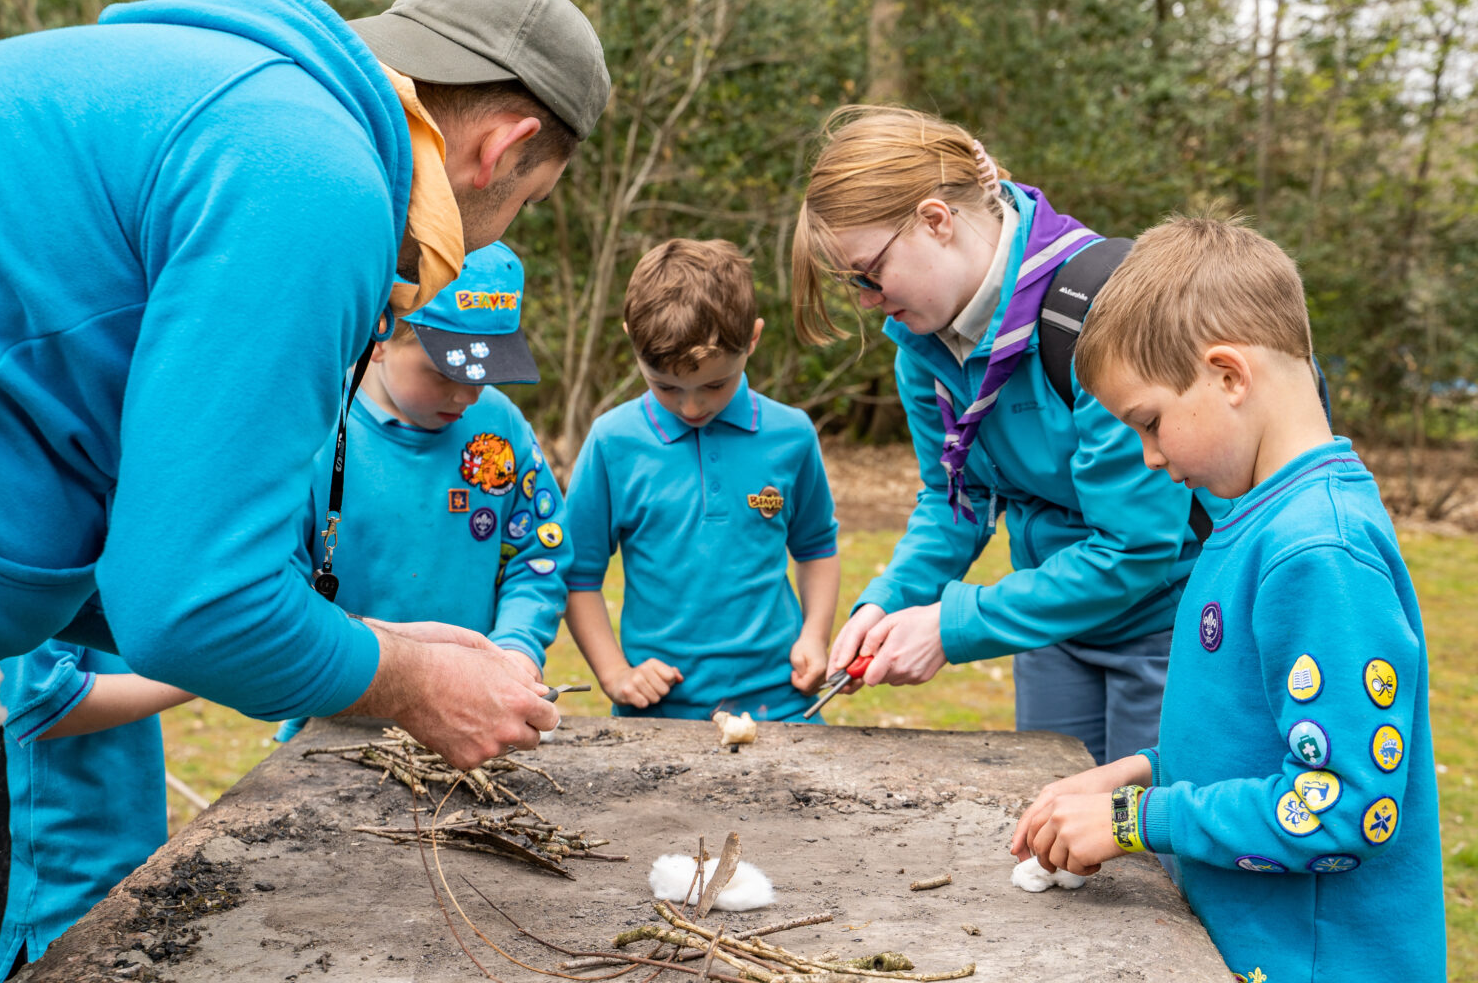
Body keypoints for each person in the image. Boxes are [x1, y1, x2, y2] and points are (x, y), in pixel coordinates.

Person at [0, 0, 609, 976]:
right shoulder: (311, 172)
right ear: (506, 147)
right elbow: (193, 605)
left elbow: (129, 550)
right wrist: (409, 679)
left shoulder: (212, 88)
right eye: (530, 201)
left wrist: (366, 638)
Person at [1009, 216, 1445, 981]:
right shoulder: (1256, 517)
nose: (1149, 456)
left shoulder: (1318, 553)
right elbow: (1266, 733)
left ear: (1228, 375)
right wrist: (1144, 770)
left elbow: (1343, 807)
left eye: (1149, 422)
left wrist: (1138, 820)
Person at [793, 105, 1216, 763]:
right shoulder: (922, 350)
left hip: (1173, 627)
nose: (868, 302)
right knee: (1051, 840)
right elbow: (953, 502)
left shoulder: (1101, 313)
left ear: (936, 220)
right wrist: (887, 604)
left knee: (1152, 852)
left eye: (869, 273)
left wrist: (952, 626)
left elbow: (1137, 546)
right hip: (1051, 626)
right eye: (853, 284)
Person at [276, 241, 571, 743]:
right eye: (444, 374)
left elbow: (537, 554)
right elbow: (283, 590)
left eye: (484, 376)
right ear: (382, 331)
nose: (467, 395)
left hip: (476, 722)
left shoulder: (501, 427)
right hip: (338, 722)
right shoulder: (312, 435)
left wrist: (516, 648)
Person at [564, 239, 841, 721]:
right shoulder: (612, 443)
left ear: (752, 340)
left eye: (715, 384)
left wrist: (815, 636)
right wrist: (615, 675)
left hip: (785, 708)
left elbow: (816, 548)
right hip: (657, 717)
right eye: (666, 387)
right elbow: (578, 573)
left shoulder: (791, 435)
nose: (692, 408)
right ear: (631, 339)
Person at [0, 642, 192, 982]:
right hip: (55, 898)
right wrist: (205, 677)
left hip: (121, 866)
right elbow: (38, 699)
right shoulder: (39, 588)